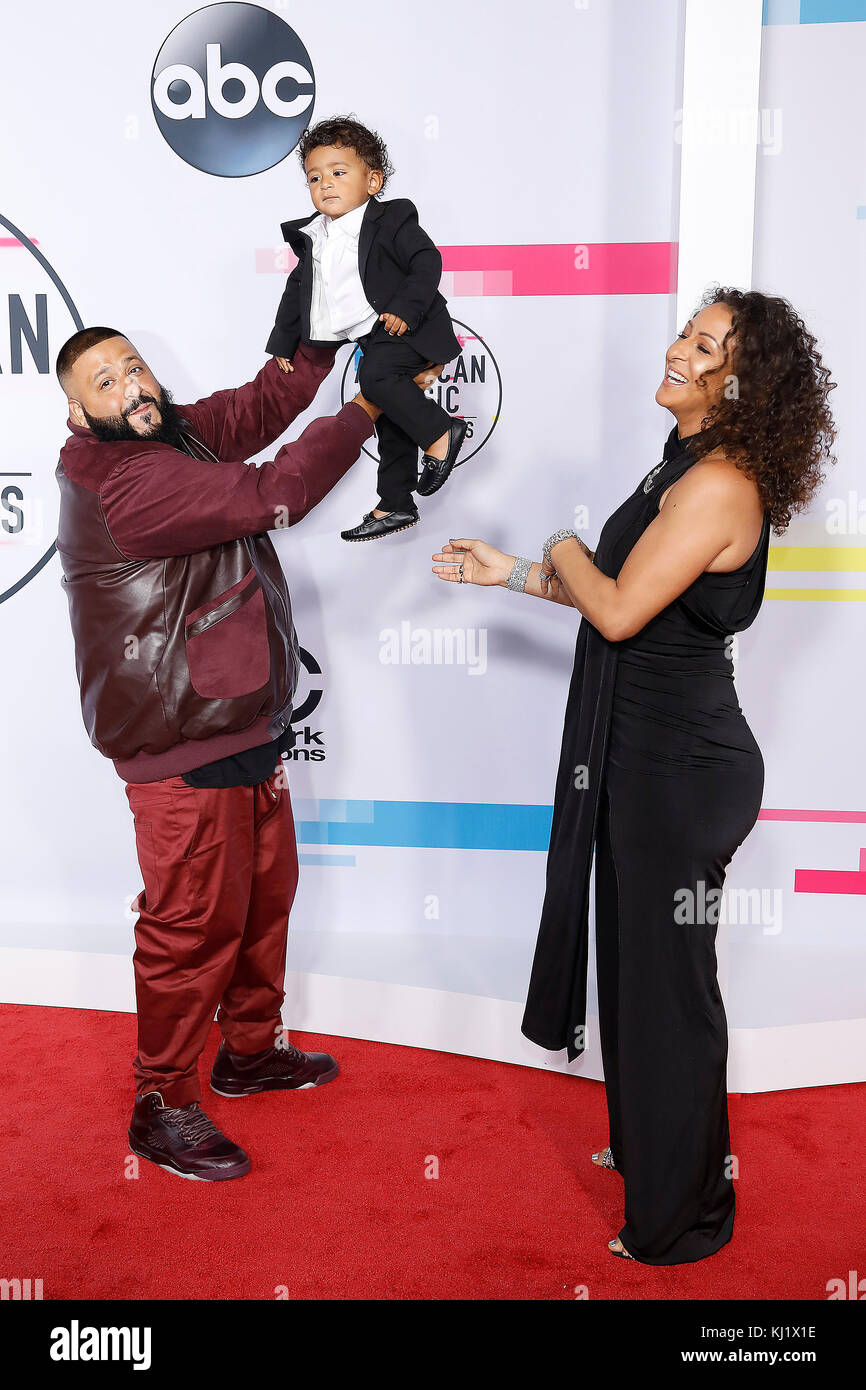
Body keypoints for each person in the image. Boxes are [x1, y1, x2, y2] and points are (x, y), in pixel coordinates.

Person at [432, 287, 836, 1263]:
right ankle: (658, 1148)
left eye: (702, 344)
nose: (676, 348)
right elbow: (628, 596)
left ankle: (686, 1213)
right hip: (638, 759)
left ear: (738, 382)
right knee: (636, 974)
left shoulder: (717, 485)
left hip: (681, 774)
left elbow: (611, 610)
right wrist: (512, 571)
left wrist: (560, 543)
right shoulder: (683, 465)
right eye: (685, 331)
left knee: (669, 991)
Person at [54, 324, 441, 1181]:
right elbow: (281, 489)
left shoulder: (166, 430)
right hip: (181, 747)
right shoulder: (126, 480)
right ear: (80, 412)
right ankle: (162, 1102)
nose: (132, 386)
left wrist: (315, 335)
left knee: (265, 904)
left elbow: (254, 410)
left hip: (239, 724)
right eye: (106, 382)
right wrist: (374, 406)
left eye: (136, 367)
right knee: (191, 931)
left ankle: (250, 1052)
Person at [265, 113, 467, 542]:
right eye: (315, 178)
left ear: (372, 182)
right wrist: (284, 340)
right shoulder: (315, 238)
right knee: (388, 415)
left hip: (410, 327)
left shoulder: (391, 220)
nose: (327, 185)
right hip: (374, 338)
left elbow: (427, 262)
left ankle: (440, 432)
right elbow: (296, 289)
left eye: (339, 173)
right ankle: (395, 502)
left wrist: (405, 309)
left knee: (376, 380)